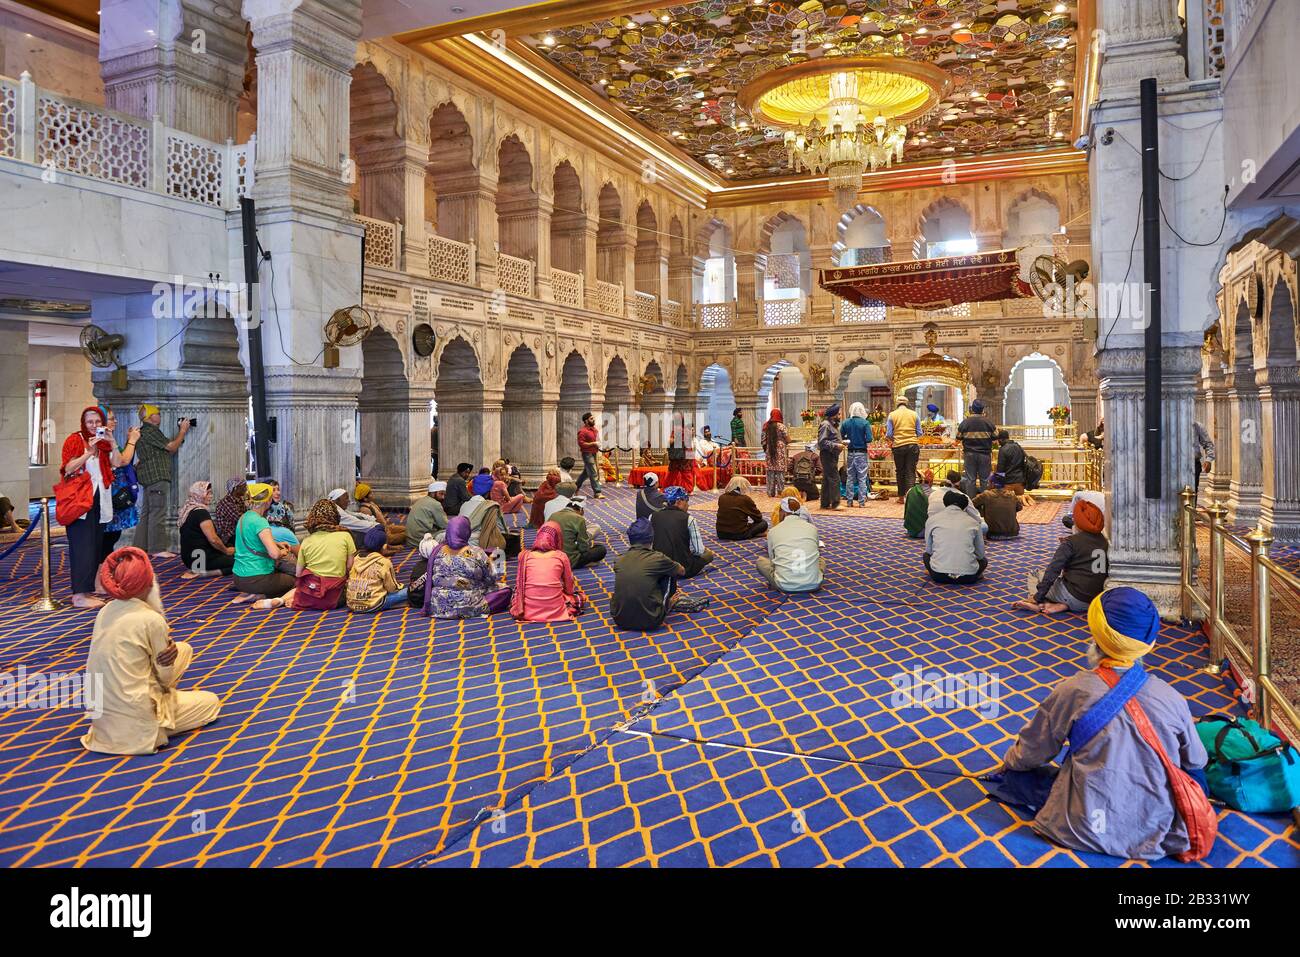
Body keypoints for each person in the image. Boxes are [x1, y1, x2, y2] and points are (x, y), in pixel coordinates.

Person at [992, 587, 1208, 860]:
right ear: (1149, 643)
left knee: (1018, 775)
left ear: (1095, 634)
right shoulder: (1171, 697)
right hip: (1156, 829)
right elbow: (1196, 761)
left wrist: (1009, 764)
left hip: (1080, 825)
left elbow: (1031, 752)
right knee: (1197, 779)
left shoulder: (1074, 690)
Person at [80, 548, 220, 755]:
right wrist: (164, 665)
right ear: (148, 582)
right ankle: (162, 711)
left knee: (183, 649)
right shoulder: (151, 619)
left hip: (103, 720)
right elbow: (164, 677)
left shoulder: (105, 610)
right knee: (211, 702)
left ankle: (165, 702)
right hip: (138, 721)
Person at [59, 406, 128, 609]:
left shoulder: (105, 443)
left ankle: (89, 589)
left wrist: (113, 442)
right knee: (82, 548)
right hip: (80, 501)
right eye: (90, 422)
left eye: (98, 422)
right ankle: (79, 595)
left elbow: (118, 462)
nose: (94, 426)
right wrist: (88, 453)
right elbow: (68, 468)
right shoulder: (74, 440)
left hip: (100, 499)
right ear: (83, 422)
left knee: (95, 546)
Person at [1014, 495, 1109, 615]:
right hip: (1095, 599)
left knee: (1036, 574)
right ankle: (1062, 605)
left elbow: (1053, 570)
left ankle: (1038, 603)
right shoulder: (1104, 541)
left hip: (1074, 596)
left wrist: (1038, 596)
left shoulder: (1071, 542)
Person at [423, 516, 512, 619]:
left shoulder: (437, 551)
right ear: (467, 532)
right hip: (468, 605)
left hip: (439, 606)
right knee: (506, 590)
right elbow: (491, 579)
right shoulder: (476, 552)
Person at [132, 403, 191, 559]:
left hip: (148, 477)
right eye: (157, 413)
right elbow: (171, 447)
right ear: (151, 417)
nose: (160, 415)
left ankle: (140, 547)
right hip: (157, 476)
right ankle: (157, 548)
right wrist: (183, 431)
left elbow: (164, 448)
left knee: (146, 513)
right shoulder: (150, 431)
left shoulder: (145, 432)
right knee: (158, 512)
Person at [612, 518, 687, 631]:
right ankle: (667, 605)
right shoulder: (658, 558)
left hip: (619, 620)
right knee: (669, 573)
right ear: (651, 539)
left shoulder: (619, 559)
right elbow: (682, 571)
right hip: (651, 621)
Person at [231, 482, 297, 603]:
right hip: (256, 578)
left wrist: (277, 544)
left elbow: (252, 540)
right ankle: (262, 595)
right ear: (267, 501)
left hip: (238, 578)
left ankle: (254, 592)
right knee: (296, 580)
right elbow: (275, 554)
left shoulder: (244, 517)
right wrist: (282, 551)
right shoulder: (260, 521)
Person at [511, 520, 585, 622]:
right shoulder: (561, 556)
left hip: (527, 611)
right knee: (579, 597)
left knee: (515, 593)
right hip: (556, 610)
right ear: (557, 538)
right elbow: (569, 589)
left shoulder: (524, 555)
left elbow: (520, 585)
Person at [756, 496, 825, 593]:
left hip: (785, 585)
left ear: (783, 512)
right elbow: (816, 551)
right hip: (814, 584)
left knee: (760, 562)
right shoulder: (812, 528)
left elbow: (773, 561)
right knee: (821, 560)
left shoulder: (773, 531)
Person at [99, 407, 141, 562]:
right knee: (108, 536)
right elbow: (122, 461)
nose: (115, 421)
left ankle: (106, 565)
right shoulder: (102, 440)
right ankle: (103, 567)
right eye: (111, 418)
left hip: (114, 492)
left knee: (112, 535)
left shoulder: (109, 438)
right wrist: (132, 441)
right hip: (110, 494)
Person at [651, 486, 714, 578]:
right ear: (679, 501)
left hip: (658, 567)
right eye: (686, 501)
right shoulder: (688, 518)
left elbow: (649, 546)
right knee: (708, 554)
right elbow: (699, 550)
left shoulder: (652, 516)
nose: (688, 505)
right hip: (682, 569)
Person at [924, 490, 986, 584]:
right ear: (964, 506)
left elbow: (929, 550)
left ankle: (935, 570)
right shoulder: (973, 522)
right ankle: (974, 573)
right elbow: (980, 554)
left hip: (939, 575)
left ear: (945, 503)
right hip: (968, 577)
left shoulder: (932, 520)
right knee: (984, 561)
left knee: (926, 556)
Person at [177, 481, 235, 578]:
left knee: (231, 547)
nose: (210, 496)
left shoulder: (189, 510)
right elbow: (213, 539)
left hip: (190, 559)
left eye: (210, 493)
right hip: (200, 560)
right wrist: (226, 551)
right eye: (207, 493)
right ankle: (208, 573)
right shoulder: (201, 512)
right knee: (240, 561)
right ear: (199, 494)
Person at [347, 524, 407, 612]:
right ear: (384, 546)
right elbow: (392, 588)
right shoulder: (384, 562)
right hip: (374, 604)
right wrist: (402, 586)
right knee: (409, 591)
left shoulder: (356, 559)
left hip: (352, 604)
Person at [550, 497, 607, 569]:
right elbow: (583, 546)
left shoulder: (553, 515)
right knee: (601, 549)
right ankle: (582, 563)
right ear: (580, 509)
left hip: (554, 558)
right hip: (570, 560)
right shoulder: (578, 518)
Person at [956, 399, 996, 498]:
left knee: (970, 479)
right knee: (985, 479)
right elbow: (995, 438)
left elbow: (958, 438)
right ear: (982, 410)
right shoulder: (988, 423)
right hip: (985, 455)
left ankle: (971, 502)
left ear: (972, 410)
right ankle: (985, 503)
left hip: (969, 455)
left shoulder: (965, 423)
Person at [886, 396, 922, 503]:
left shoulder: (892, 415)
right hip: (912, 445)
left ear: (897, 404)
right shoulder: (914, 414)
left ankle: (901, 498)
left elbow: (889, 434)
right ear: (907, 403)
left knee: (900, 472)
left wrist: (897, 438)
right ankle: (909, 498)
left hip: (898, 446)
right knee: (910, 471)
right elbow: (919, 432)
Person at [350, 482, 407, 547]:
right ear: (365, 498)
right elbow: (372, 528)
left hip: (387, 528)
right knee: (407, 534)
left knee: (408, 529)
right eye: (370, 493)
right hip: (384, 535)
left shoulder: (371, 503)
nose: (373, 494)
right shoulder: (364, 509)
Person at [840, 401, 874, 507]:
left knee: (850, 477)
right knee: (862, 478)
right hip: (861, 453)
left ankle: (849, 501)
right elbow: (869, 439)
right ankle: (861, 502)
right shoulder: (865, 423)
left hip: (850, 453)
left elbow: (841, 436)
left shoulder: (846, 422)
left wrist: (849, 439)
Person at [715, 475, 768, 540]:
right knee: (763, 523)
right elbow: (758, 518)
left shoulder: (722, 497)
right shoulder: (745, 499)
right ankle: (753, 534)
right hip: (738, 534)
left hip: (721, 533)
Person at [974, 472, 1023, 538]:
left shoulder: (986, 494)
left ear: (992, 484)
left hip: (993, 533)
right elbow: (1019, 507)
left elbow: (971, 504)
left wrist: (982, 511)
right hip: (1012, 532)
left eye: (989, 482)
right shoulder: (1012, 495)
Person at [817, 404, 844, 510]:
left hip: (832, 455)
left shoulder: (833, 425)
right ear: (833, 415)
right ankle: (835, 503)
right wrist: (836, 445)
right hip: (827, 454)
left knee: (827, 479)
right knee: (834, 478)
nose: (840, 416)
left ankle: (824, 503)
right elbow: (822, 442)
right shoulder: (826, 425)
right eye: (839, 414)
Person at [575, 412, 605, 498]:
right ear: (586, 421)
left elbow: (597, 440)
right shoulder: (582, 431)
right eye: (591, 419)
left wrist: (598, 443)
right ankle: (597, 492)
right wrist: (593, 443)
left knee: (586, 473)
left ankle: (575, 487)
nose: (593, 420)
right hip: (587, 453)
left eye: (593, 418)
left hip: (594, 452)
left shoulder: (595, 430)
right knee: (593, 472)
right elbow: (581, 444)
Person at [211, 480, 248, 546]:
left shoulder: (239, 499)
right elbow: (242, 519)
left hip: (237, 531)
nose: (246, 489)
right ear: (235, 488)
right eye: (244, 487)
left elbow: (246, 514)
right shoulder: (227, 502)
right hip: (229, 536)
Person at [761, 408, 789, 497]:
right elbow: (788, 439)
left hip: (770, 449)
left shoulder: (766, 426)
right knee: (780, 471)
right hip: (780, 450)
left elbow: (763, 440)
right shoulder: (781, 426)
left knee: (770, 471)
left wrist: (766, 449)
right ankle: (781, 492)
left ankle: (770, 492)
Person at [903, 469, 934, 539]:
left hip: (911, 530)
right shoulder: (933, 494)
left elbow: (906, 510)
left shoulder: (910, 491)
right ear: (931, 481)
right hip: (926, 532)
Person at [665, 421, 696, 492]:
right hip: (682, 454)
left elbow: (670, 441)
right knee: (685, 472)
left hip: (682, 454)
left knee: (677, 473)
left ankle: (666, 488)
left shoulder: (679, 430)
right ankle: (688, 490)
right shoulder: (682, 430)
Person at [995, 430, 1028, 496]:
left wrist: (998, 484)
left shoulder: (1003, 449)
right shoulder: (1018, 446)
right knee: (1020, 502)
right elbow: (1026, 459)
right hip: (1020, 481)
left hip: (1008, 482)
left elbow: (1000, 468)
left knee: (1005, 502)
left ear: (1001, 439)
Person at [1193, 421, 1215, 497]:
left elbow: (1208, 444)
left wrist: (1209, 460)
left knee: (1192, 492)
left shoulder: (1197, 426)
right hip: (1174, 465)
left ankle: (1191, 508)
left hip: (1193, 464)